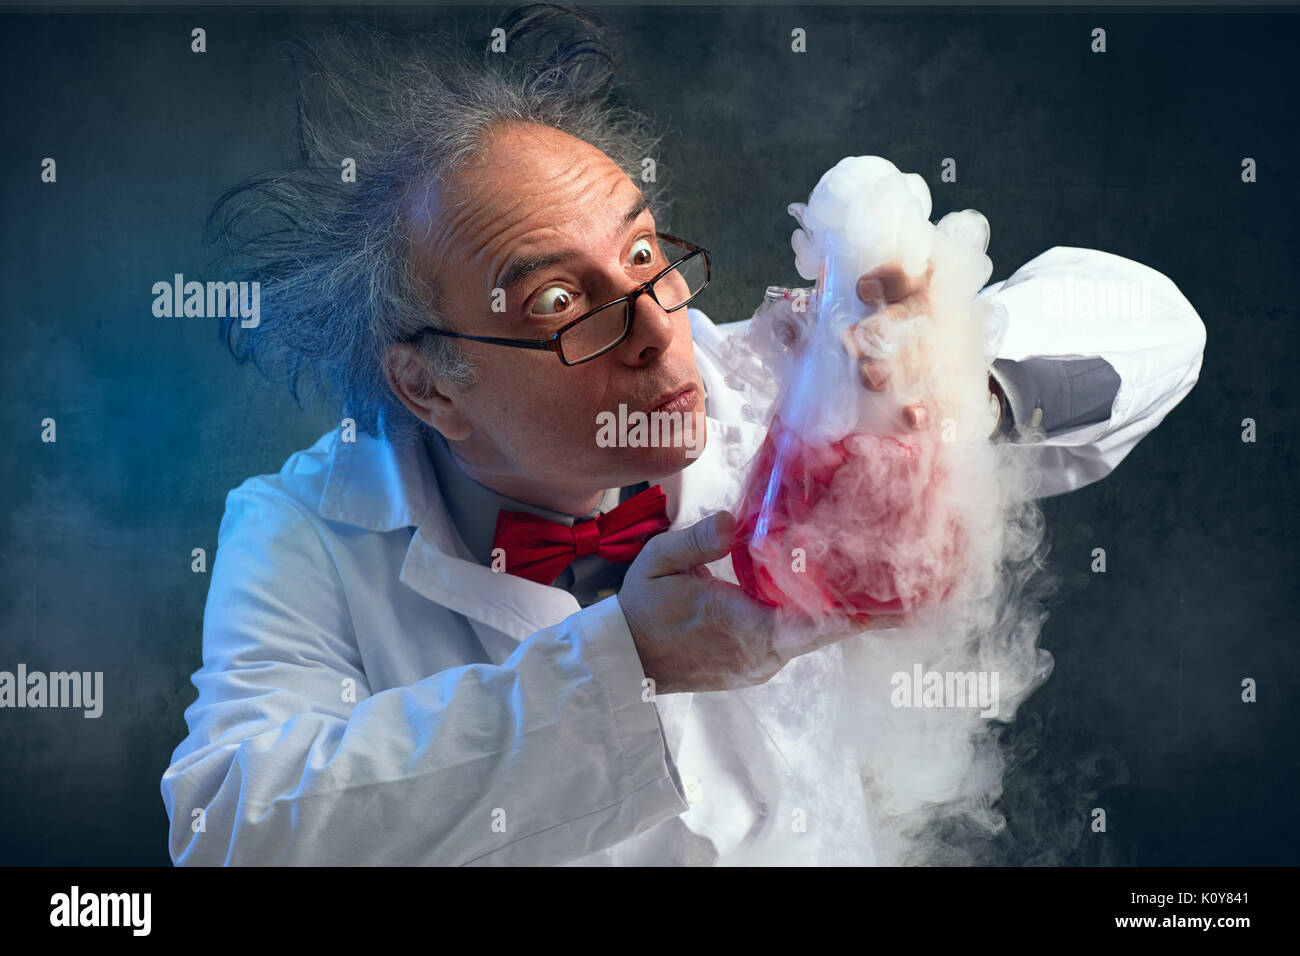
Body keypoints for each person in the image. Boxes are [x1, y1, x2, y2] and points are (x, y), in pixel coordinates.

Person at [160, 8, 1206, 865]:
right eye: (561, 299)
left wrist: (950, 378)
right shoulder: (301, 530)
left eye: (645, 253)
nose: (661, 327)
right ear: (429, 386)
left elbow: (1157, 330)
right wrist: (627, 660)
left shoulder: (783, 387)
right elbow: (228, 825)